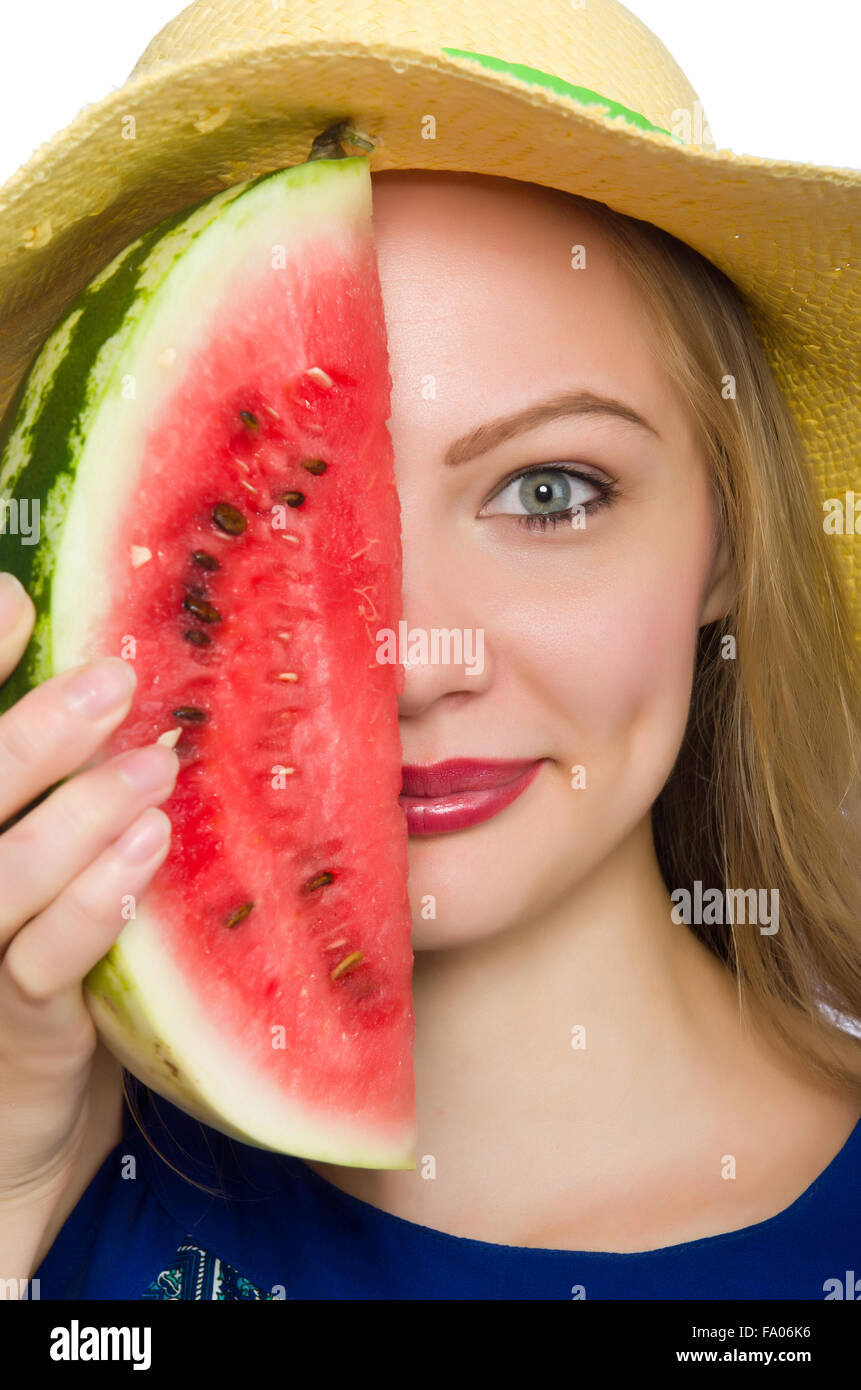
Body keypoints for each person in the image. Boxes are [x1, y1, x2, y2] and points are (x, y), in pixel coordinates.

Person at [1, 0, 859, 1301]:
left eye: (549, 491)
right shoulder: (47, 1201)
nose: (408, 659)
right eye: (266, 525)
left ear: (728, 536)